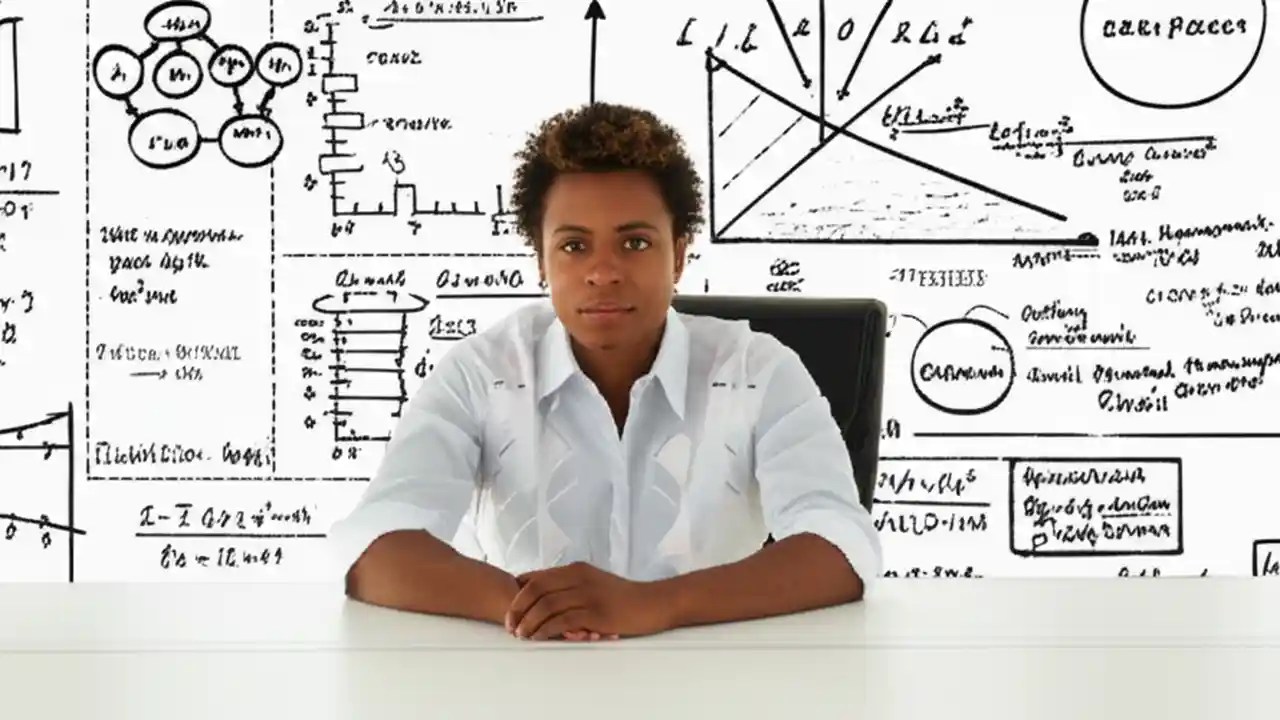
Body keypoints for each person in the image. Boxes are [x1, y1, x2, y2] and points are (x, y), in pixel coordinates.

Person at [328, 102, 883, 642]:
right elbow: (375, 548)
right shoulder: (480, 371)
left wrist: (654, 605)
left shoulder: (758, 368)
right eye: (574, 246)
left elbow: (840, 548)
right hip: (528, 674)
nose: (602, 272)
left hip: (713, 677)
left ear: (679, 254)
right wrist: (541, 609)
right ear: (542, 260)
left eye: (635, 242)